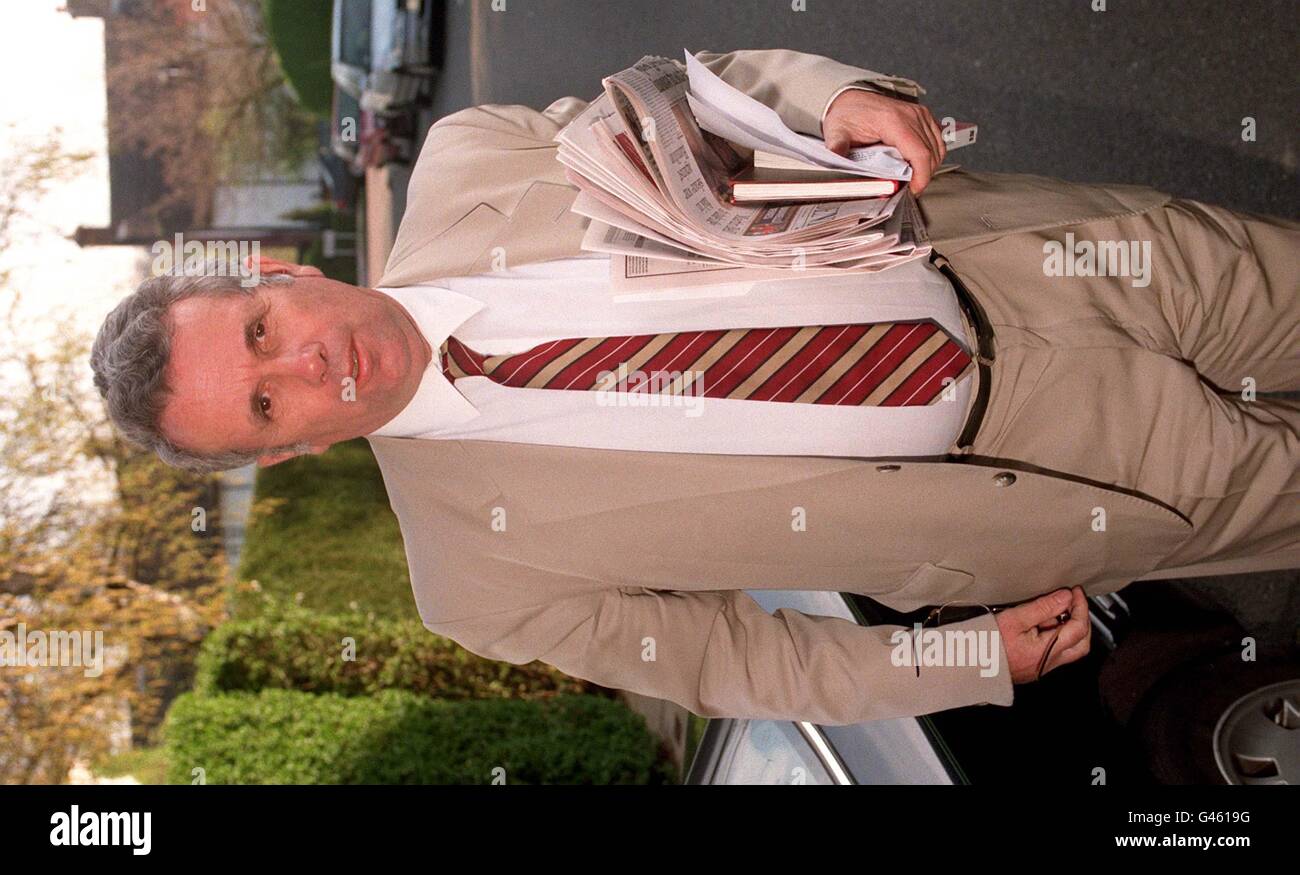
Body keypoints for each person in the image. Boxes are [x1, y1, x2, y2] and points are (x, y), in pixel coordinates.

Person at [91, 49, 1299, 725]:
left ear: (284, 275)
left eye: (261, 329)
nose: (307, 364)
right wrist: (955, 662)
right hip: (1071, 474)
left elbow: (706, 101)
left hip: (1062, 261)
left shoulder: (468, 158)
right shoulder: (473, 580)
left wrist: (830, 100)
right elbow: (737, 662)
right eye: (265, 405)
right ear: (286, 453)